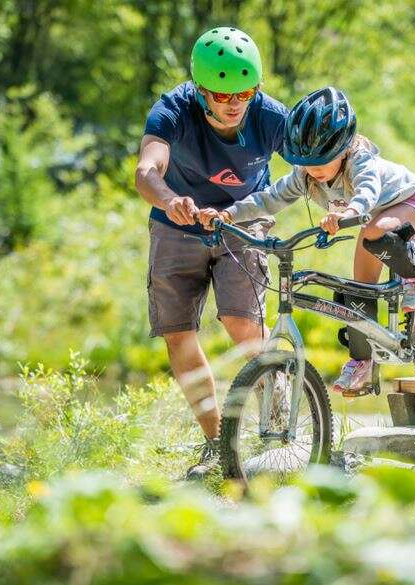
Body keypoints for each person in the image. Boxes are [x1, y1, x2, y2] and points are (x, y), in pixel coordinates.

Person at [199, 87, 415, 394]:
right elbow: (270, 198)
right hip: (367, 219)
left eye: (322, 161)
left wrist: (348, 212)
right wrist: (229, 214)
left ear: (343, 147)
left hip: (406, 202)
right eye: (306, 162)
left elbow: (367, 190)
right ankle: (361, 362)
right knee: (358, 291)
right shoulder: (306, 174)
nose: (314, 170)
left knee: (373, 232)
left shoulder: (360, 161)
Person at [134, 27, 289, 479]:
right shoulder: (172, 109)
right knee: (178, 331)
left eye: (244, 91)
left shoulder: (270, 116)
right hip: (176, 221)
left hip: (243, 219)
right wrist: (169, 200)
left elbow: (317, 156)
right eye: (222, 95)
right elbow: (147, 170)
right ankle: (217, 443)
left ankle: (282, 427)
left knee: (242, 322)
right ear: (201, 90)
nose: (234, 103)